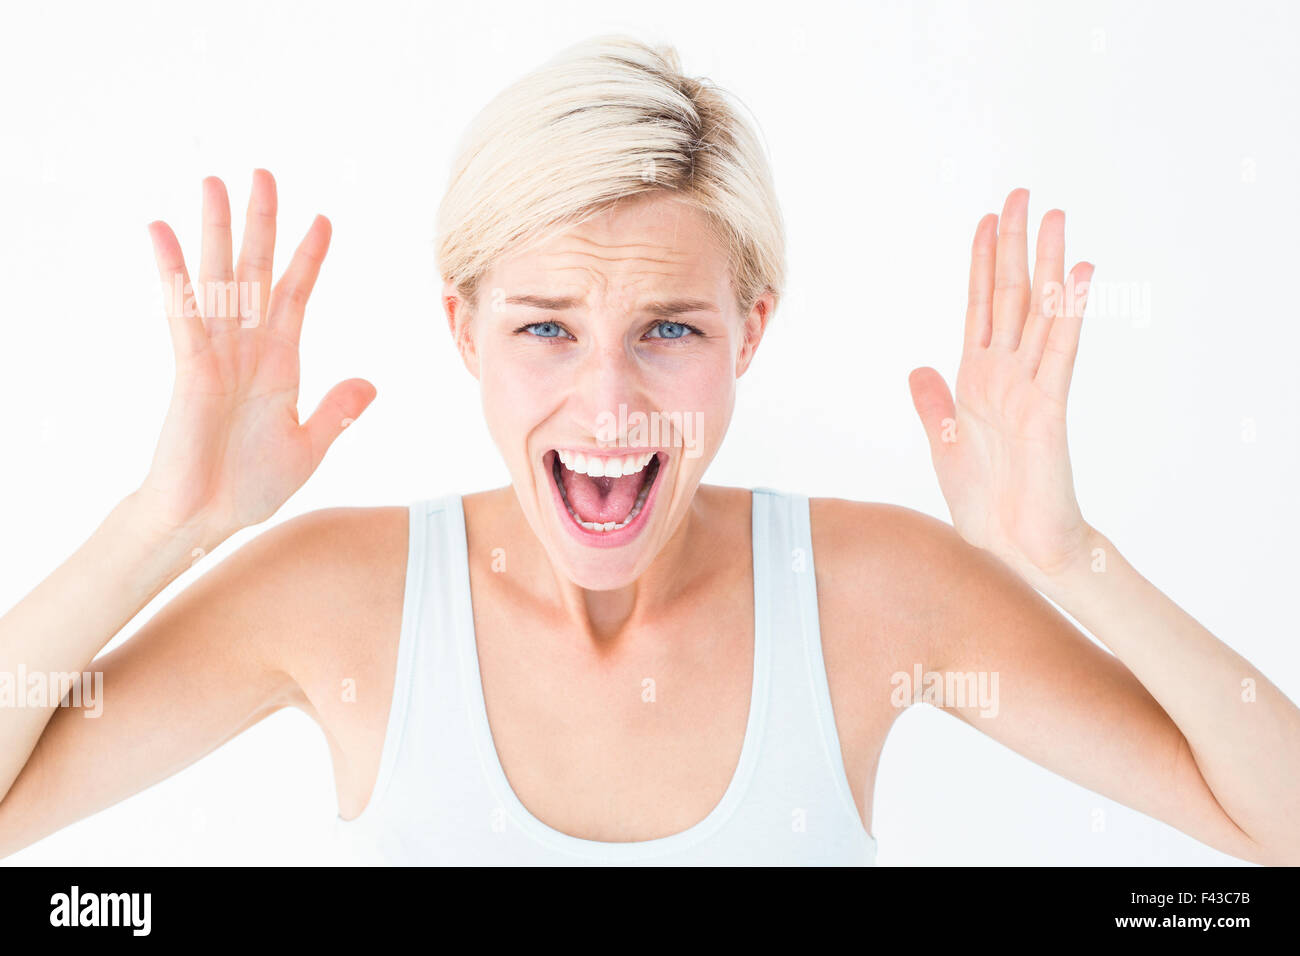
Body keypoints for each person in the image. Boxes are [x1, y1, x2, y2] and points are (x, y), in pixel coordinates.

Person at [1, 35, 1296, 865]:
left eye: (669, 328)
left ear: (753, 331)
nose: (608, 405)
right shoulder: (345, 600)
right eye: (547, 328)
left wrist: (1068, 558)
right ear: (464, 332)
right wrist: (160, 525)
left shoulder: (872, 594)